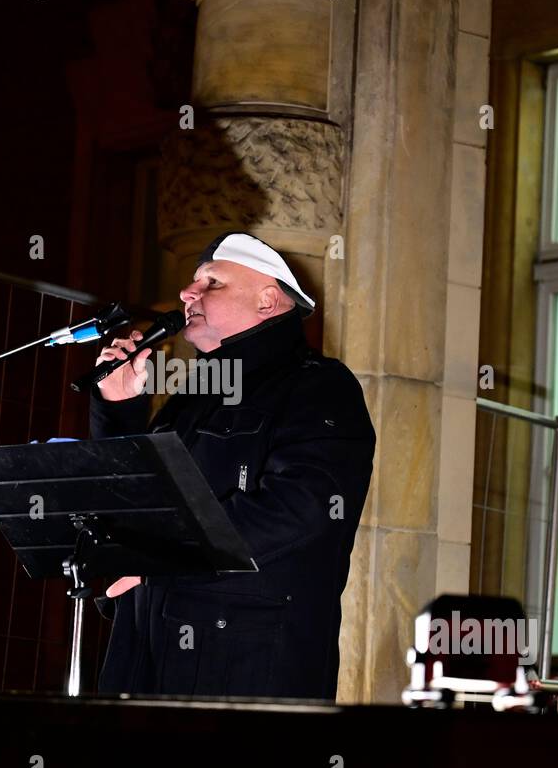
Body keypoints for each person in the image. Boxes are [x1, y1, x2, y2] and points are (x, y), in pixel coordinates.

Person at [87, 231, 376, 701]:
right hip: (145, 658)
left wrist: (163, 552)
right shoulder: (195, 394)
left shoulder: (319, 387)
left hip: (244, 671)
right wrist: (119, 406)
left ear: (268, 299)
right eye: (191, 284)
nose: (187, 293)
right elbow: (131, 499)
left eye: (212, 283)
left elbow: (300, 508)